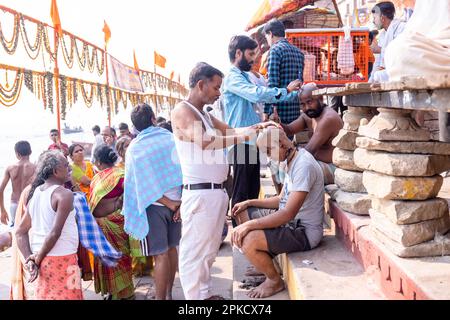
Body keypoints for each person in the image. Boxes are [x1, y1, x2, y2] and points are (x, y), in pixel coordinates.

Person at [171, 62, 276, 300]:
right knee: (195, 252)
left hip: (214, 193)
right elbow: (206, 141)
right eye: (216, 87)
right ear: (201, 84)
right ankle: (197, 300)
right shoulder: (183, 110)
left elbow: (231, 132)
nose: (219, 92)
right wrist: (249, 132)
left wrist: (258, 126)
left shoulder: (205, 114)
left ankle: (205, 295)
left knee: (208, 251)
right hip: (200, 193)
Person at [231, 127, 325, 299]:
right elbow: (282, 199)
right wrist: (250, 202)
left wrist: (249, 225)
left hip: (303, 231)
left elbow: (288, 213)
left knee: (248, 239)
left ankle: (274, 281)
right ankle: (266, 264)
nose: (268, 157)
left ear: (280, 144)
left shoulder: (303, 166)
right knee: (242, 213)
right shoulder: (292, 159)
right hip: (291, 221)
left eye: (268, 151)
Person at [222, 35, 302, 219]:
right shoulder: (233, 78)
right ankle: (239, 234)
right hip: (240, 143)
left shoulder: (244, 77)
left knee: (252, 190)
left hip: (250, 142)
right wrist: (287, 90)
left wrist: (290, 95)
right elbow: (257, 94)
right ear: (238, 53)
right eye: (251, 54)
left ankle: (248, 231)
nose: (254, 59)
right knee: (242, 192)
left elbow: (263, 94)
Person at [124, 104, 183, 300]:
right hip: (177, 202)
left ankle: (160, 299)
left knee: (160, 254)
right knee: (172, 248)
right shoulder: (171, 138)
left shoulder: (135, 148)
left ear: (135, 126)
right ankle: (169, 293)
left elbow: (140, 184)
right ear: (153, 119)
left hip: (155, 206)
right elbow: (184, 170)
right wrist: (178, 202)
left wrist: (167, 202)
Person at [15, 151, 83, 300]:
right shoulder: (64, 194)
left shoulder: (36, 194)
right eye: (66, 165)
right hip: (63, 258)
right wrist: (35, 259)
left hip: (43, 260)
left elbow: (20, 232)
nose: (69, 167)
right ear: (56, 171)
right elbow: (54, 233)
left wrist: (30, 260)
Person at [272, 83, 343, 185]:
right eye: (303, 104)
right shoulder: (309, 115)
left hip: (334, 167)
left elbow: (308, 152)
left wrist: (291, 150)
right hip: (316, 161)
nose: (307, 107)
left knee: (291, 168)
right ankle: (282, 199)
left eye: (310, 102)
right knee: (275, 165)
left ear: (321, 99)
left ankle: (288, 199)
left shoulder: (327, 119)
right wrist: (277, 122)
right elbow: (289, 129)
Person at [89, 145, 135, 300]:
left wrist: (119, 203)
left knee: (118, 258)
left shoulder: (120, 176)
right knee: (112, 259)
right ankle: (113, 292)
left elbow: (132, 195)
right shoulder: (102, 177)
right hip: (101, 226)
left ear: (99, 162)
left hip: (116, 223)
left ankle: (124, 293)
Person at [263, 19, 305, 125]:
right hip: (294, 111)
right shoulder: (299, 52)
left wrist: (268, 111)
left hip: (278, 112)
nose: (267, 40)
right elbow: (300, 82)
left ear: (271, 34)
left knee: (275, 141)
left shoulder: (275, 50)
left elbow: (272, 85)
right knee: (288, 140)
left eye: (266, 36)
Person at [0, 141, 36, 227]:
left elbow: (1, 190)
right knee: (30, 231)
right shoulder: (35, 167)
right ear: (30, 152)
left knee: (16, 231)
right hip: (29, 203)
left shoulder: (10, 168)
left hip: (14, 204)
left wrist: (2, 210)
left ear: (17, 154)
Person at [370, 1, 406, 83]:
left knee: (378, 75)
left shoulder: (401, 28)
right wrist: (368, 83)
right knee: (376, 75)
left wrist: (380, 50)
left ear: (382, 18)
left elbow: (403, 52)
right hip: (389, 72)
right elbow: (377, 63)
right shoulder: (383, 35)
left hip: (403, 70)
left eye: (374, 18)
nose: (373, 21)